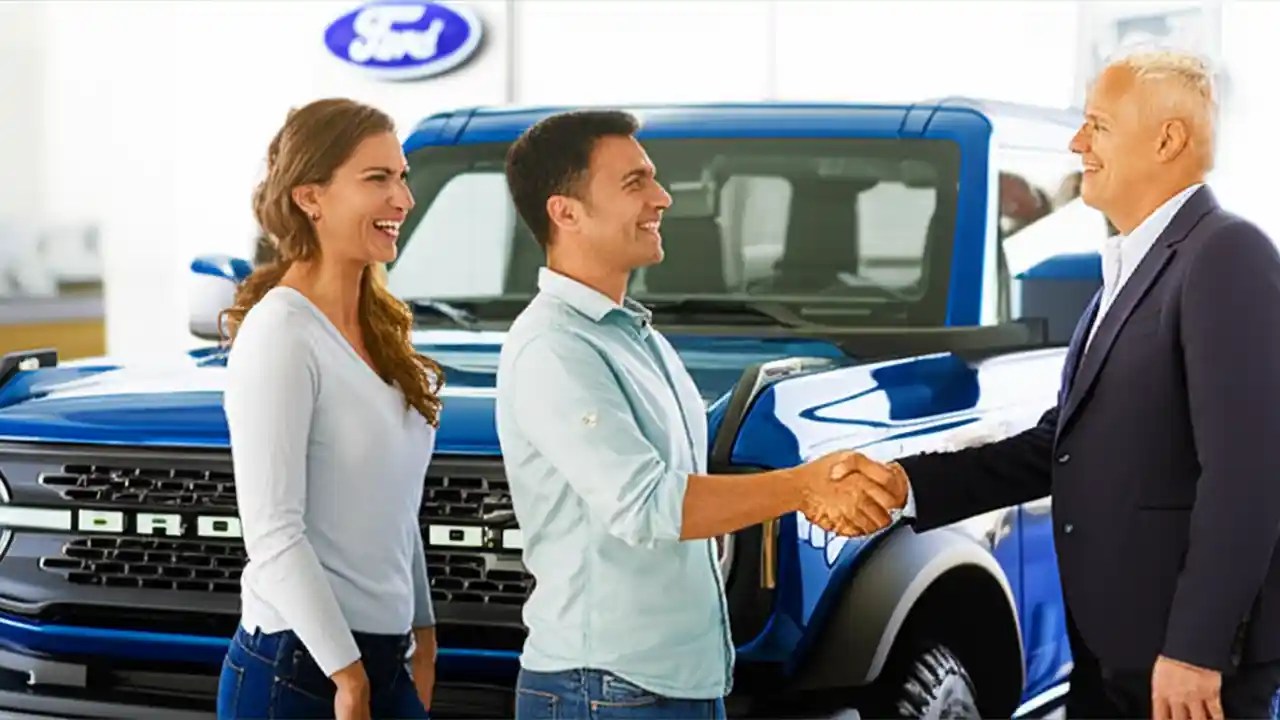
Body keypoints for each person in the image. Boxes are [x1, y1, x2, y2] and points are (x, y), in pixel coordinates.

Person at [838, 49, 1280, 719]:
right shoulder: (1135, 266)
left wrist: (1197, 649)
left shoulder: (1225, 255)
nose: (1077, 144)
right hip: (1114, 657)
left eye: (1097, 125)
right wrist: (906, 484)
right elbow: (1063, 448)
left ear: (1168, 139)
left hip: (1181, 669)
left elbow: (1248, 476)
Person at [493, 109, 899, 719]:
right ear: (565, 212)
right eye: (635, 183)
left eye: (652, 179)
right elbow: (648, 504)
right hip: (605, 690)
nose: (662, 198)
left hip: (675, 684)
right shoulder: (554, 348)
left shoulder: (638, 338)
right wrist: (804, 486)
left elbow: (685, 490)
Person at [217, 98, 442, 720]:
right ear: (310, 197)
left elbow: (394, 501)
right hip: (299, 670)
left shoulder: (382, 332)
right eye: (378, 179)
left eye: (402, 177)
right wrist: (349, 678)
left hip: (380, 660)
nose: (403, 200)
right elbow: (274, 534)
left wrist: (421, 632)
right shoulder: (281, 335)